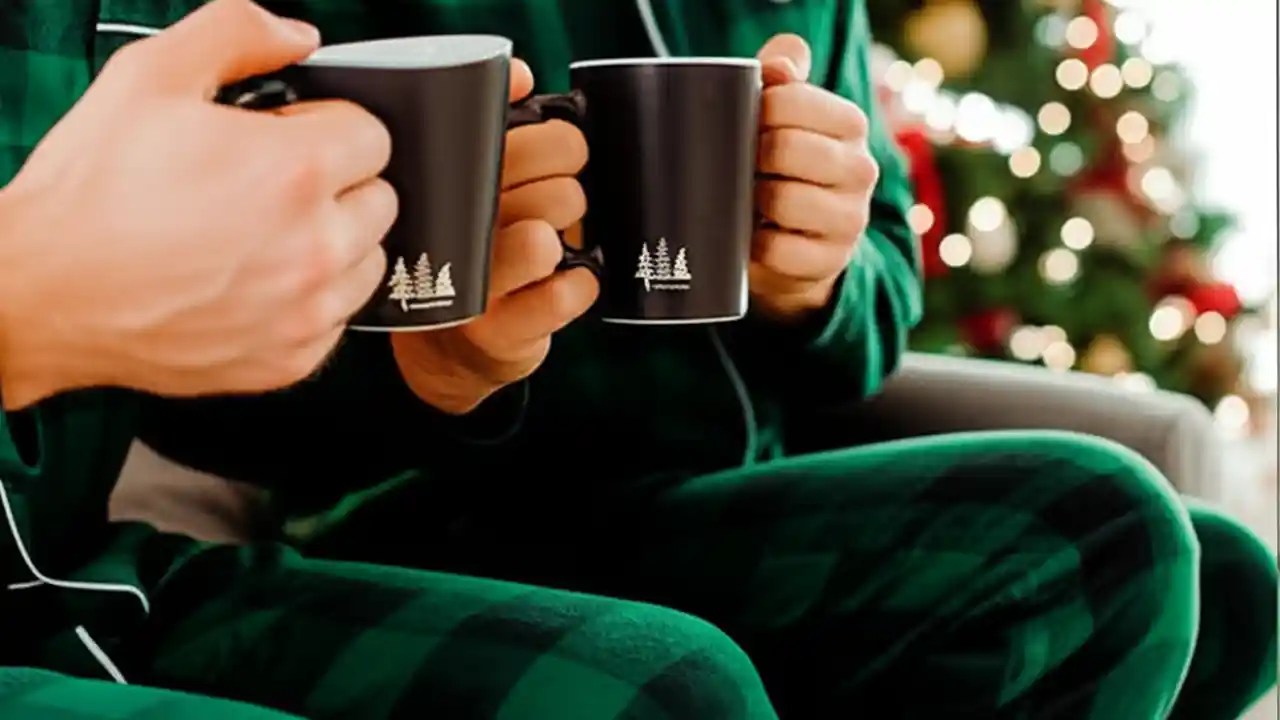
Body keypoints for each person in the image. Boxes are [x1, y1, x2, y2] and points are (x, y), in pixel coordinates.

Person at [0, 0, 1273, 718]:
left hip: (735, 498)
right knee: (679, 685)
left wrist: (816, 282)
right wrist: (432, 377)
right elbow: (204, 376)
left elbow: (882, 275)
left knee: (1208, 573)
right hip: (436, 507)